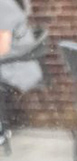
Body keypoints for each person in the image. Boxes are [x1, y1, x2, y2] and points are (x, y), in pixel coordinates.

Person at [0, 0, 42, 146]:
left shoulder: (3, 6)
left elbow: (2, 48)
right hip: (15, 62)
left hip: (16, 67)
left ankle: (1, 132)